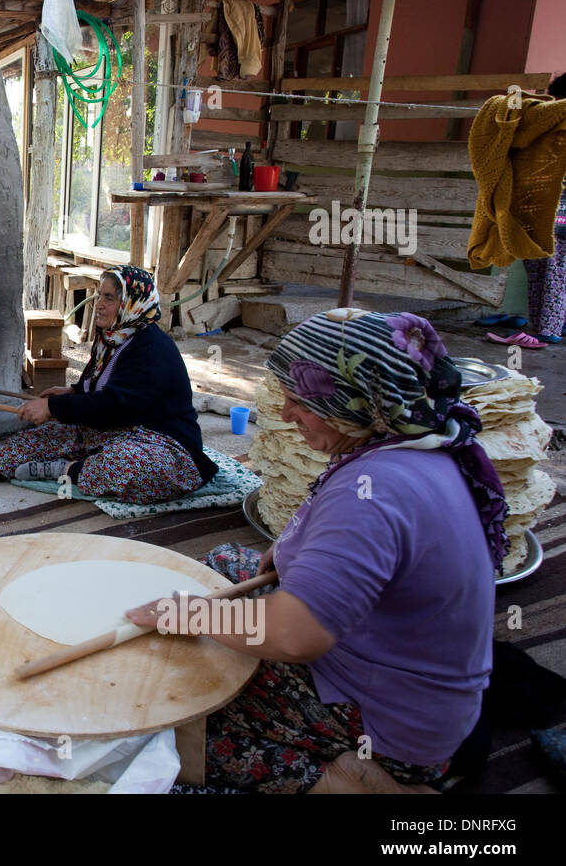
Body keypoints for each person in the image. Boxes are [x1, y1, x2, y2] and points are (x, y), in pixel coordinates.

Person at [128, 309, 506, 793]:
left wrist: (189, 616)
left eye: (299, 401)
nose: (285, 414)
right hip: (422, 682)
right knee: (226, 562)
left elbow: (295, 637)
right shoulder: (423, 446)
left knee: (179, 708)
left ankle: (346, 779)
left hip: (389, 723)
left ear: (352, 402)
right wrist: (292, 550)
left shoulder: (371, 493)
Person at [0, 265, 217, 503]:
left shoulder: (151, 348)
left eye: (109, 298)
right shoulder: (114, 338)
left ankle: (65, 471)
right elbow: (100, 386)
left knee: (127, 464)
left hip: (164, 442)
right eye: (99, 295)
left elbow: (113, 405)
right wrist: (71, 392)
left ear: (131, 304)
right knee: (45, 436)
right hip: (120, 429)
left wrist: (52, 406)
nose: (98, 305)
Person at [523, 71, 566, 343]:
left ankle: (547, 329)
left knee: (548, 275)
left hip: (552, 218)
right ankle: (555, 326)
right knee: (554, 274)